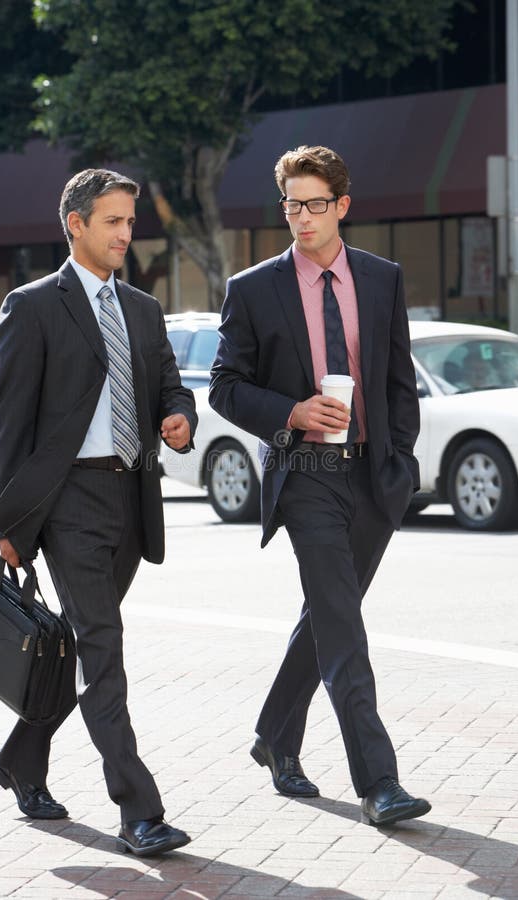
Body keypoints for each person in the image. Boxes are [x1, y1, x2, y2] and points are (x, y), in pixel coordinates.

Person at [209, 145, 431, 827]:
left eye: (313, 204)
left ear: (341, 205)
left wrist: (400, 463)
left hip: (372, 474)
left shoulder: (383, 278)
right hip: (304, 473)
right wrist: (292, 412)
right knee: (344, 629)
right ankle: (380, 782)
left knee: (326, 617)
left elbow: (398, 379)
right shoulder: (253, 288)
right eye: (290, 205)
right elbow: (224, 387)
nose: (300, 218)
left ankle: (275, 733)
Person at [0, 168, 197, 856]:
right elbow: (9, 426)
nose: (125, 234)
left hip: (131, 498)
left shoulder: (141, 308)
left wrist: (177, 416)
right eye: (112, 221)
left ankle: (22, 759)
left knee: (84, 645)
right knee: (104, 653)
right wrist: (10, 525)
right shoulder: (33, 305)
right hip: (67, 504)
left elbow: (171, 384)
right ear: (75, 223)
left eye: (130, 222)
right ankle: (139, 811)